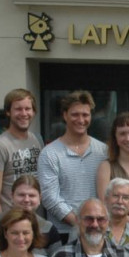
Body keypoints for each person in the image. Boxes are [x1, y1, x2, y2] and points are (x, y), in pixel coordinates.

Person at [38, 91, 109, 241]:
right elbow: (50, 198)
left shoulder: (104, 151)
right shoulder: (50, 153)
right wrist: (80, 223)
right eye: (75, 114)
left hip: (98, 231)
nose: (81, 120)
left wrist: (93, 223)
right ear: (65, 115)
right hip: (62, 232)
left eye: (85, 115)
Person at [0, 174, 62, 257]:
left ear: (40, 198)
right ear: (12, 196)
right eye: (21, 195)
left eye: (31, 195)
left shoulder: (49, 229)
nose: (26, 200)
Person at [0, 88, 43, 215]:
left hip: (33, 219)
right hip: (9, 220)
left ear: (34, 112)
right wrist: (1, 226)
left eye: (28, 109)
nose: (24, 113)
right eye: (18, 109)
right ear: (8, 112)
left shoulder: (36, 140)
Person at [102, 177, 129, 250]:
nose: (120, 201)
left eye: (125, 198)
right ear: (106, 199)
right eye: (115, 196)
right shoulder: (95, 228)